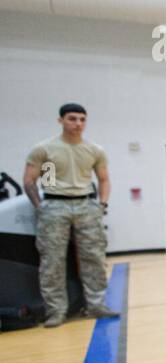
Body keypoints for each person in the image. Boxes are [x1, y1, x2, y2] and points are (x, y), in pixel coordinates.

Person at [22, 103, 118, 327]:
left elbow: (104, 179)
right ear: (61, 121)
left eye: (82, 119)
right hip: (55, 205)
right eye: (72, 119)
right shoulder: (44, 149)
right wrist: (41, 206)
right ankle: (56, 311)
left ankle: (96, 305)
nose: (78, 124)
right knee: (52, 260)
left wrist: (101, 205)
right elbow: (29, 181)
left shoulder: (94, 150)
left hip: (86, 205)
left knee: (93, 257)